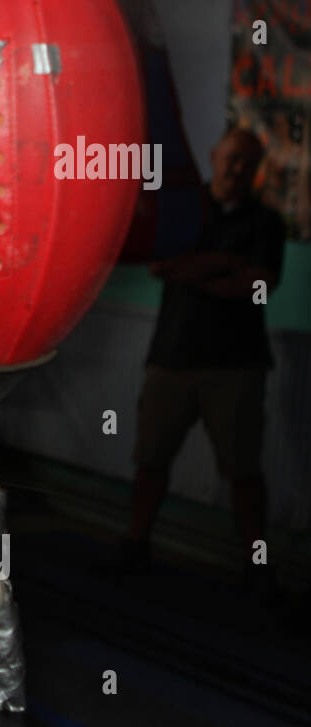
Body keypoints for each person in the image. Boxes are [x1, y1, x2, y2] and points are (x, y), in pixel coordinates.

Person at [120, 125, 286, 586]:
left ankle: (257, 566)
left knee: (244, 474)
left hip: (237, 365)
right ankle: (135, 547)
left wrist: (194, 269)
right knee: (151, 461)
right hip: (173, 357)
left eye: (247, 163)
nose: (237, 169)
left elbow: (257, 288)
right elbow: (160, 265)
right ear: (215, 154)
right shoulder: (183, 211)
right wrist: (227, 263)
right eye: (232, 158)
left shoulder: (267, 223)